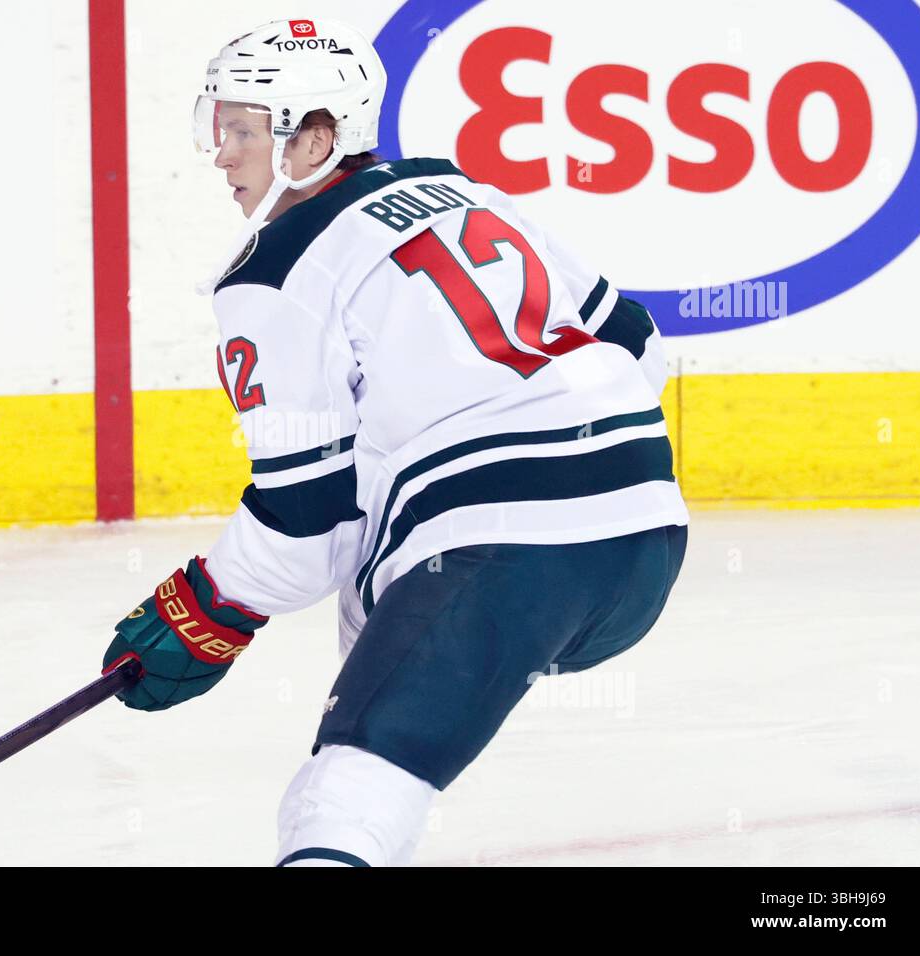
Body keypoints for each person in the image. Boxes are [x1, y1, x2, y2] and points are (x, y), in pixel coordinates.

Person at [102, 17, 688, 867]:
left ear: (315, 137)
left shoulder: (273, 272)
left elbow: (304, 531)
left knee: (344, 796)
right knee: (385, 553)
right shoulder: (468, 192)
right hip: (647, 548)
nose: (219, 155)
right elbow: (639, 345)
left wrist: (206, 609)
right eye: (215, 127)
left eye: (239, 131)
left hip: (506, 563)